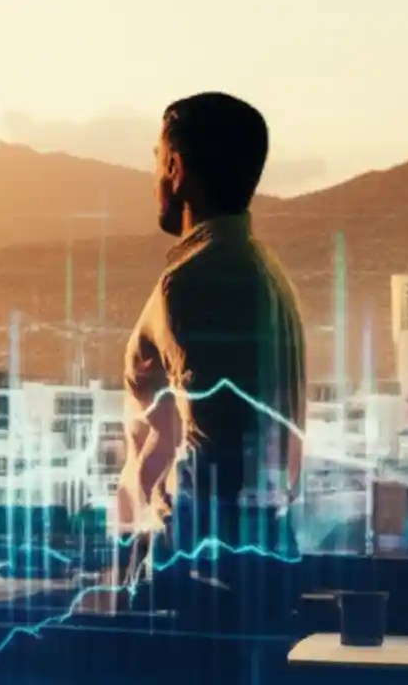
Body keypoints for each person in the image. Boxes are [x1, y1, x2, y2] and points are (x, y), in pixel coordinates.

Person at [116, 92, 307, 639]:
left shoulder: (198, 282)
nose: (154, 177)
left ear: (176, 169)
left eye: (157, 160)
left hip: (201, 582)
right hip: (237, 570)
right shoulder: (265, 273)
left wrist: (165, 560)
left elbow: (217, 448)